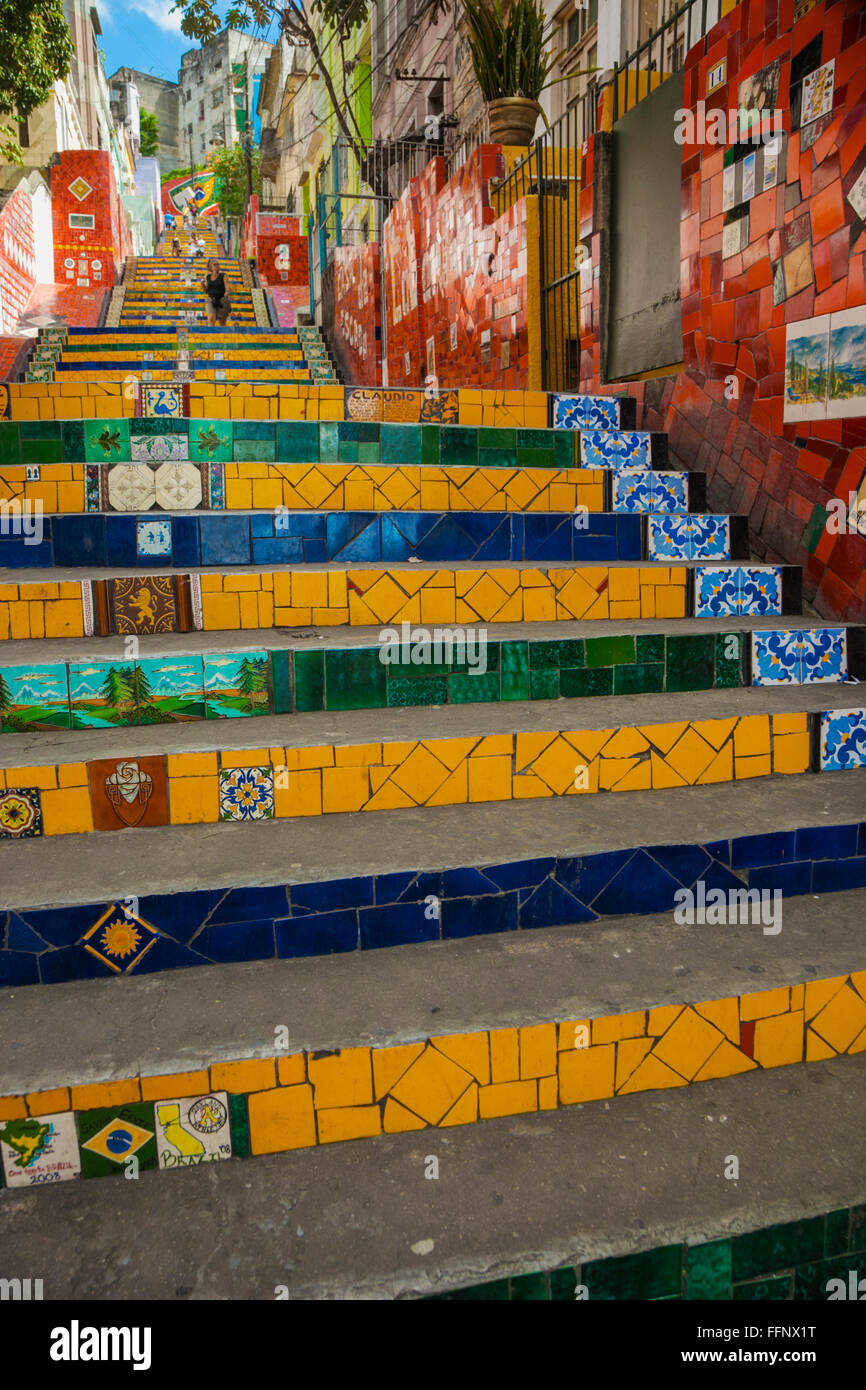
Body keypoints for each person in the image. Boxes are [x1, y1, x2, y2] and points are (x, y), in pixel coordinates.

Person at [202, 258, 231, 326]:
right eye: (215, 264)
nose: (217, 266)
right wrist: (203, 286)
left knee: (222, 322)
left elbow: (227, 286)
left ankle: (221, 335)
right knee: (211, 318)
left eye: (218, 264)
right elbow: (206, 291)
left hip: (222, 299)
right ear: (211, 267)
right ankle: (211, 335)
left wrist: (227, 291)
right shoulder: (208, 277)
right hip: (211, 299)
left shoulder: (223, 275)